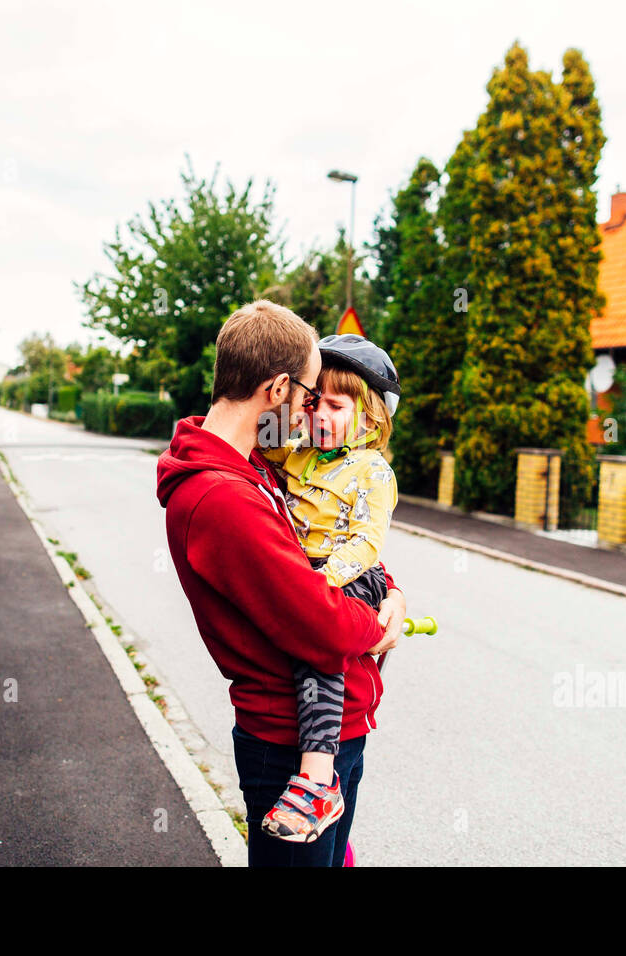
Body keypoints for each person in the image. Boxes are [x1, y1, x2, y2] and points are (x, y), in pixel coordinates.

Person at [156, 300, 406, 867]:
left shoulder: (254, 468)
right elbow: (319, 623)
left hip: (334, 726)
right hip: (289, 739)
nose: (312, 409)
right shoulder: (224, 497)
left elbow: (329, 536)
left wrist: (388, 589)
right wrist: (377, 628)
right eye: (310, 394)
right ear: (277, 389)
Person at [256, 334, 401, 843]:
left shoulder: (371, 471)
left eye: (334, 405)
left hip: (347, 573)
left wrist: (319, 583)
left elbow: (366, 542)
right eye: (314, 400)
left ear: (371, 420)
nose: (318, 412)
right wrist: (291, 405)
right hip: (310, 571)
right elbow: (263, 444)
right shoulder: (302, 454)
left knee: (320, 645)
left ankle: (318, 780)